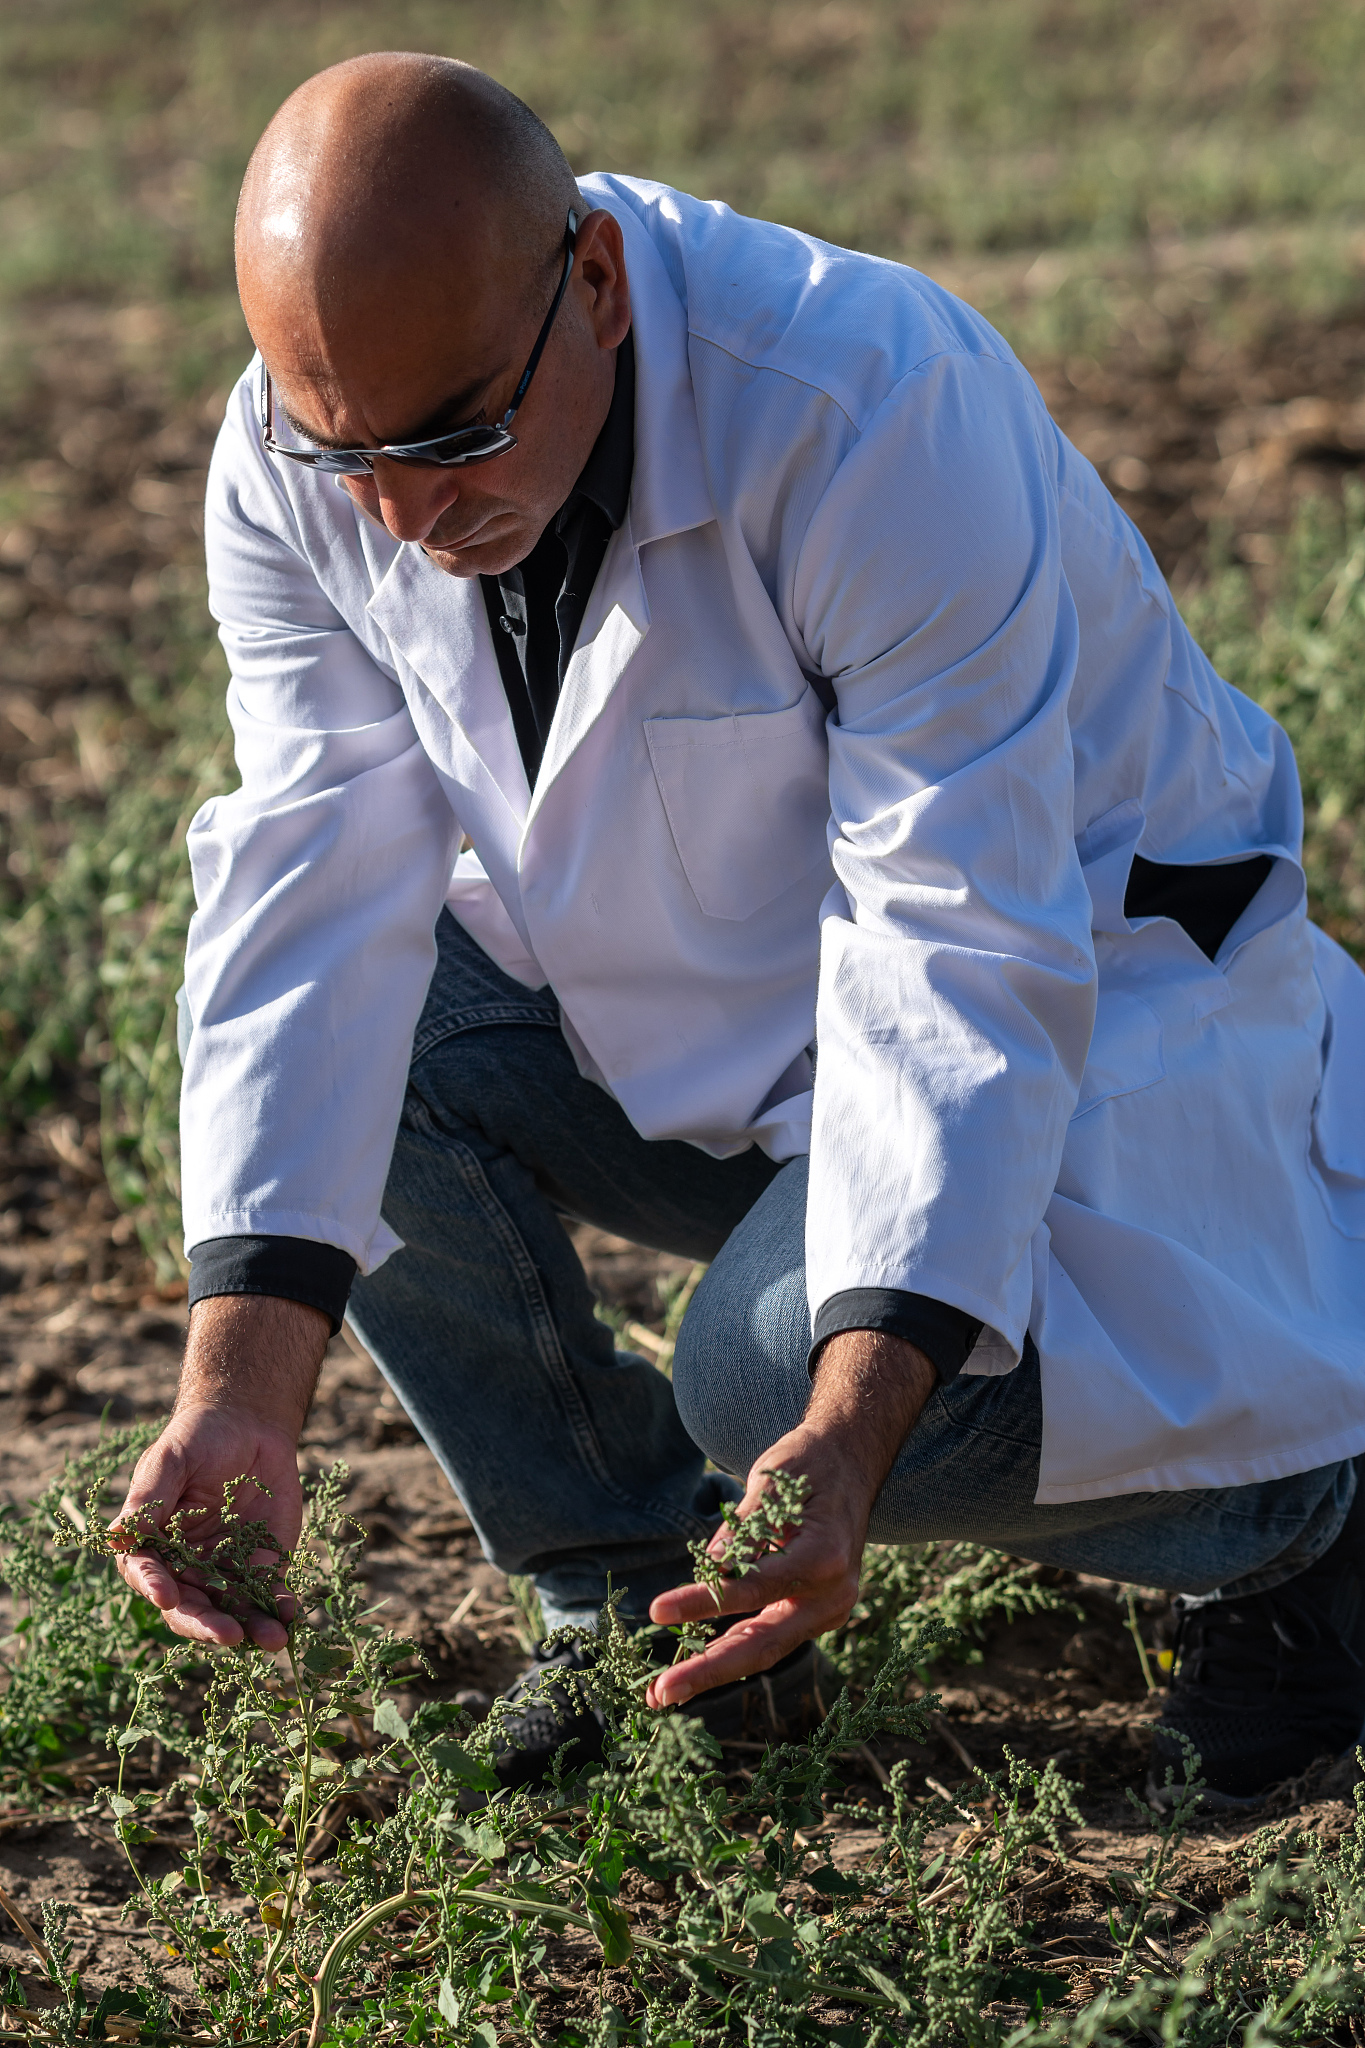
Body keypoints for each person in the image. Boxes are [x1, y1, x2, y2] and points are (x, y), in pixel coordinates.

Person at [115, 50, 1365, 1807]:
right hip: (716, 995)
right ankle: (633, 1597)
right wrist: (240, 1390)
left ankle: (1297, 1520)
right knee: (385, 1033)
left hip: (1084, 997)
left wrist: (847, 1437)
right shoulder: (298, 455)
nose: (404, 516)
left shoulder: (866, 409)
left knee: (763, 1374)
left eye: (455, 436)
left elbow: (961, 934)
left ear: (598, 289)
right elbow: (309, 885)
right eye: (352, 460)